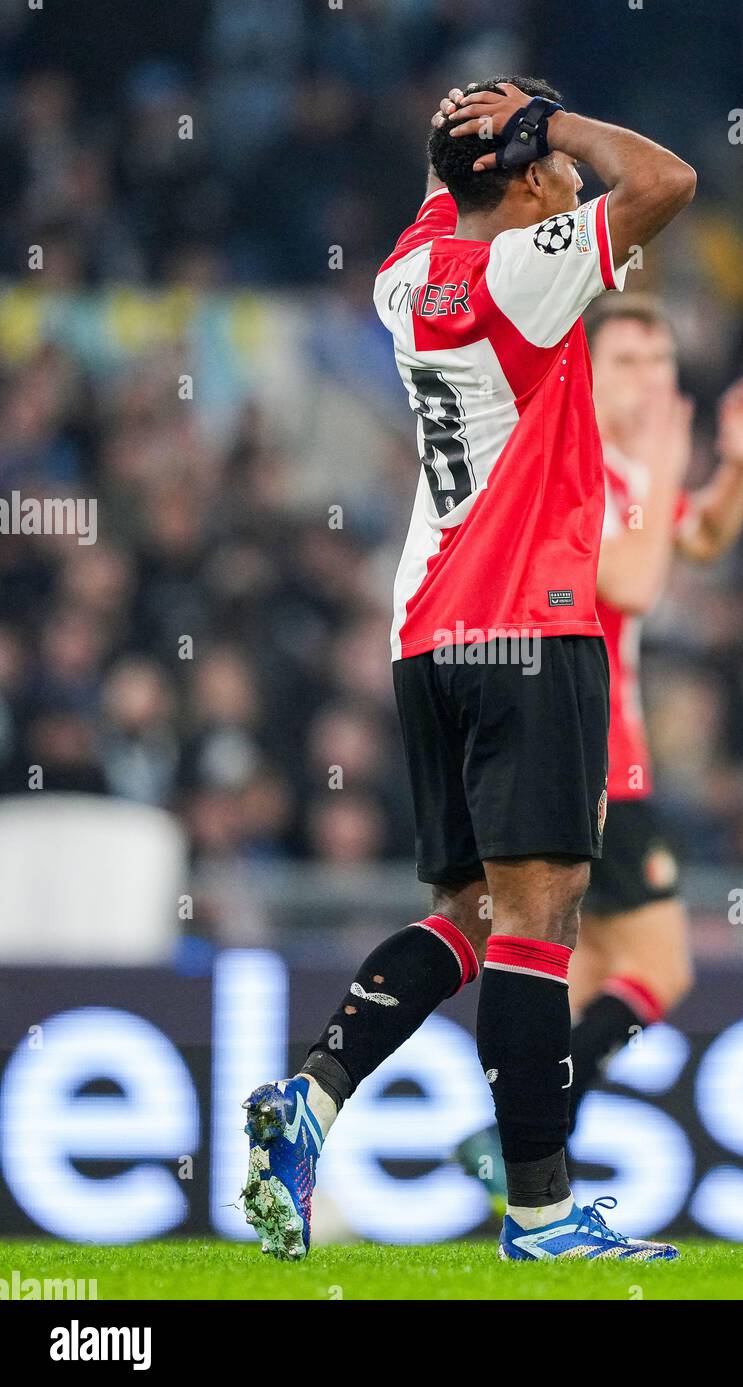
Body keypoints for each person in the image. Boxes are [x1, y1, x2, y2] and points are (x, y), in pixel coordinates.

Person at [241, 78, 696, 1261]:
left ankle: (314, 1096)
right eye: (553, 167)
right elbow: (667, 181)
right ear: (533, 178)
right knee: (540, 923)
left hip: (425, 632)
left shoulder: (409, 272)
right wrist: (568, 119)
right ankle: (541, 1215)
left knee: (469, 914)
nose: (571, 181)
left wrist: (480, 138)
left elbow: (448, 186)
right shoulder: (526, 272)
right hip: (531, 625)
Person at [457, 295, 743, 1206]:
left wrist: (740, 468)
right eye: (629, 360)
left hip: (579, 746)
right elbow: (631, 577)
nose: (651, 380)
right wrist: (683, 450)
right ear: (590, 373)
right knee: (661, 968)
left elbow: (700, 536)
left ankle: (524, 1164)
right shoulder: (580, 465)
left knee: (585, 975)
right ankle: (519, 1141)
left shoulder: (631, 471)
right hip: (596, 753)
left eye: (663, 362)